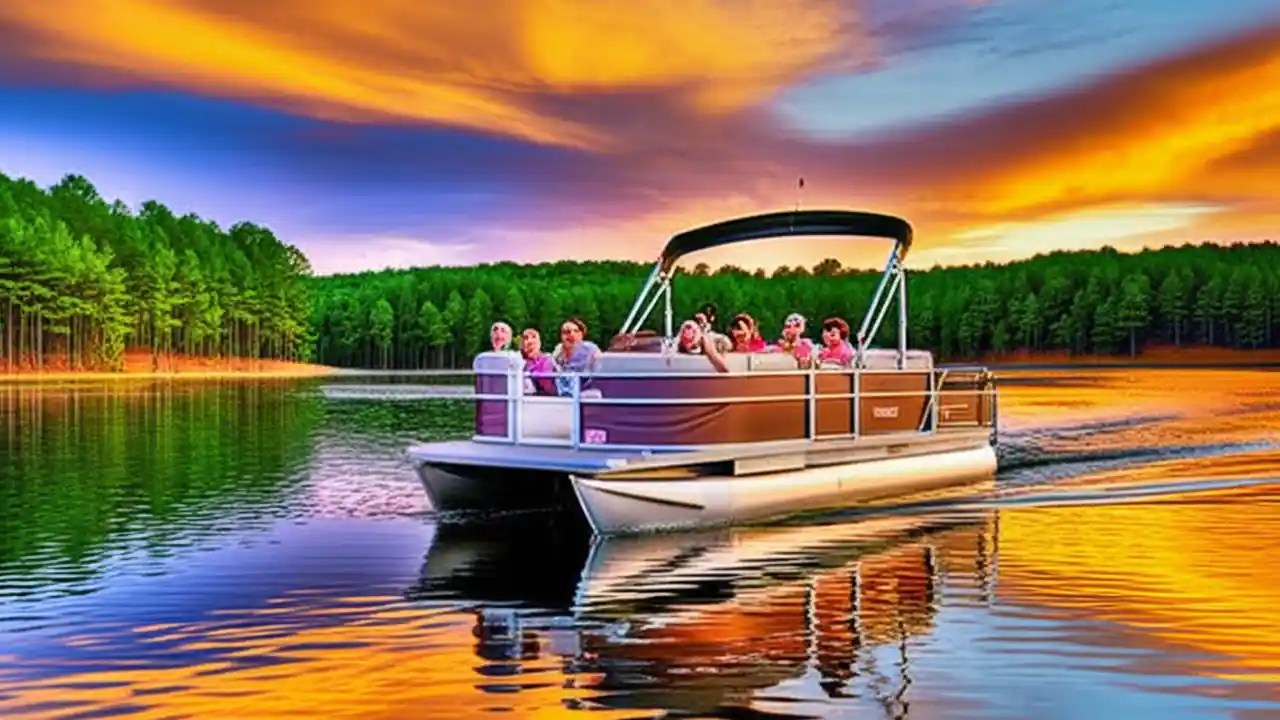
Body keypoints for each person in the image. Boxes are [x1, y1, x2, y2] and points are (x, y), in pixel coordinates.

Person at [552, 317, 602, 396]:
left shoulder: (591, 349)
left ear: (581, 334)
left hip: (587, 392)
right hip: (564, 394)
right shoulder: (558, 351)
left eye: (576, 331)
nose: (572, 334)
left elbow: (601, 372)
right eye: (567, 332)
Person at [519, 328, 556, 394]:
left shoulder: (547, 359)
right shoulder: (518, 361)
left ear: (539, 343)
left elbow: (546, 385)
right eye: (526, 338)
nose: (530, 341)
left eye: (534, 337)